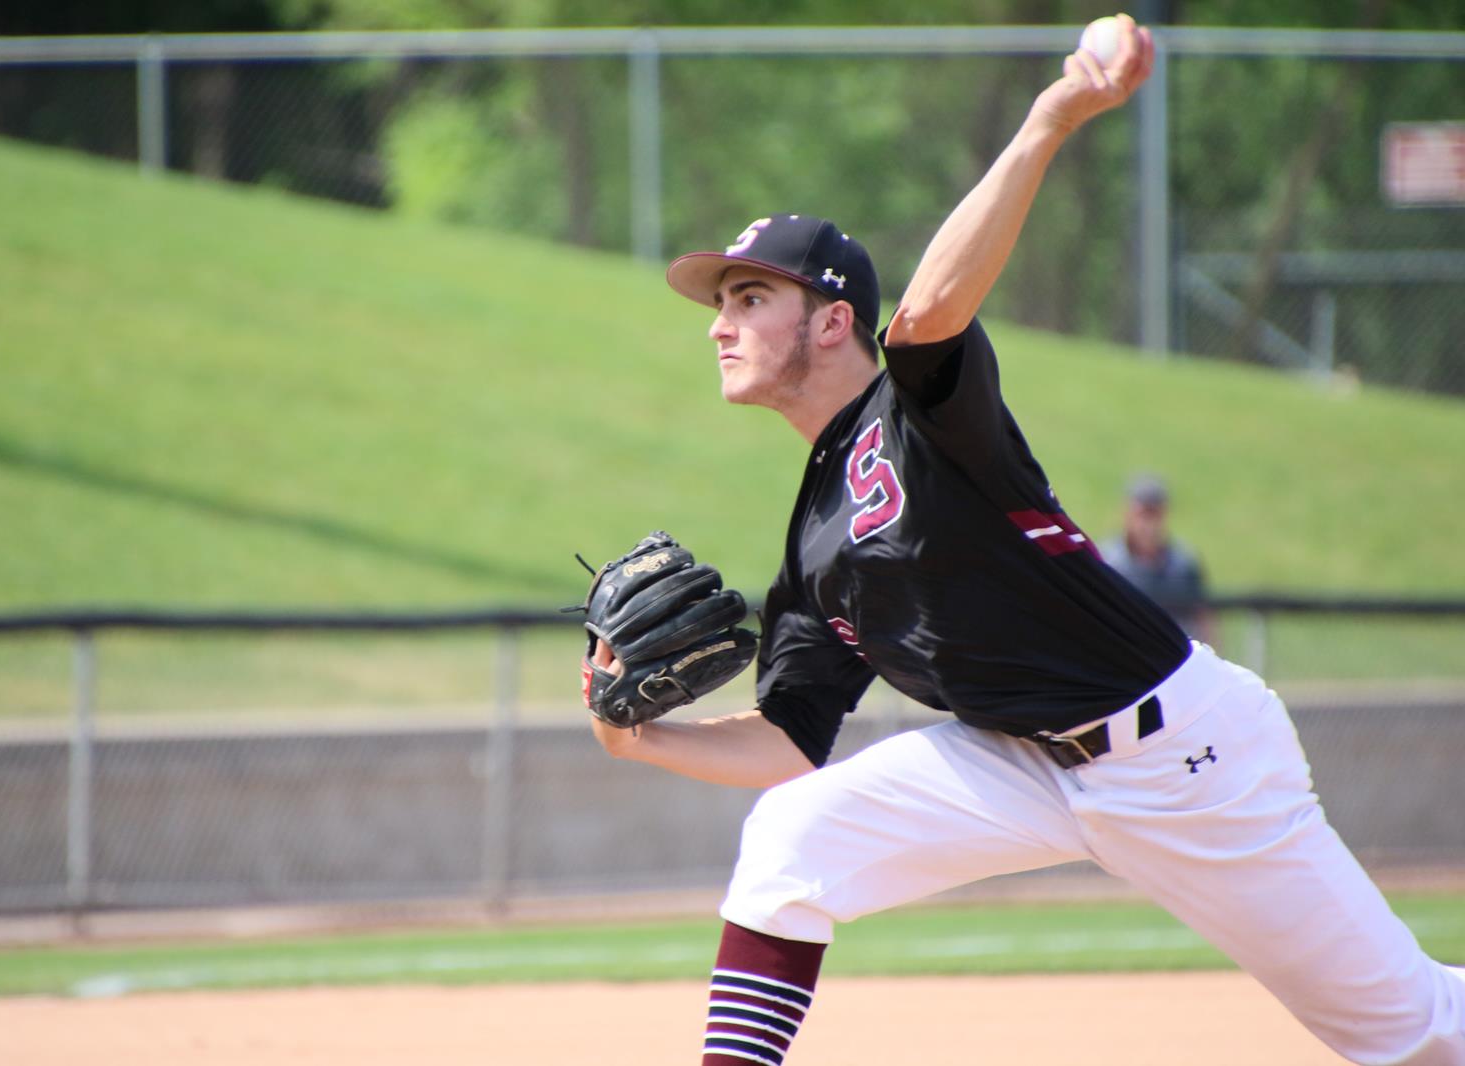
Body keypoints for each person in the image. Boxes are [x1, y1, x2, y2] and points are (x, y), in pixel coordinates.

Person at [586, 14, 1465, 1066]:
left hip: (1180, 756)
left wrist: (1051, 118)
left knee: (1414, 1035)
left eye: (748, 296)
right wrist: (638, 736)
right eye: (721, 301)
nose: (720, 322)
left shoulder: (920, 415)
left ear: (830, 320)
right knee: (790, 840)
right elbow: (787, 742)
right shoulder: (814, 541)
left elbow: (928, 312)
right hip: (1015, 765)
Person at [1099, 472, 1216, 644]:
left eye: (1154, 514)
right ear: (1127, 514)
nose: (1148, 524)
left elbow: (1204, 617)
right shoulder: (1109, 561)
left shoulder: (1183, 563)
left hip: (1176, 656)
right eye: (1142, 514)